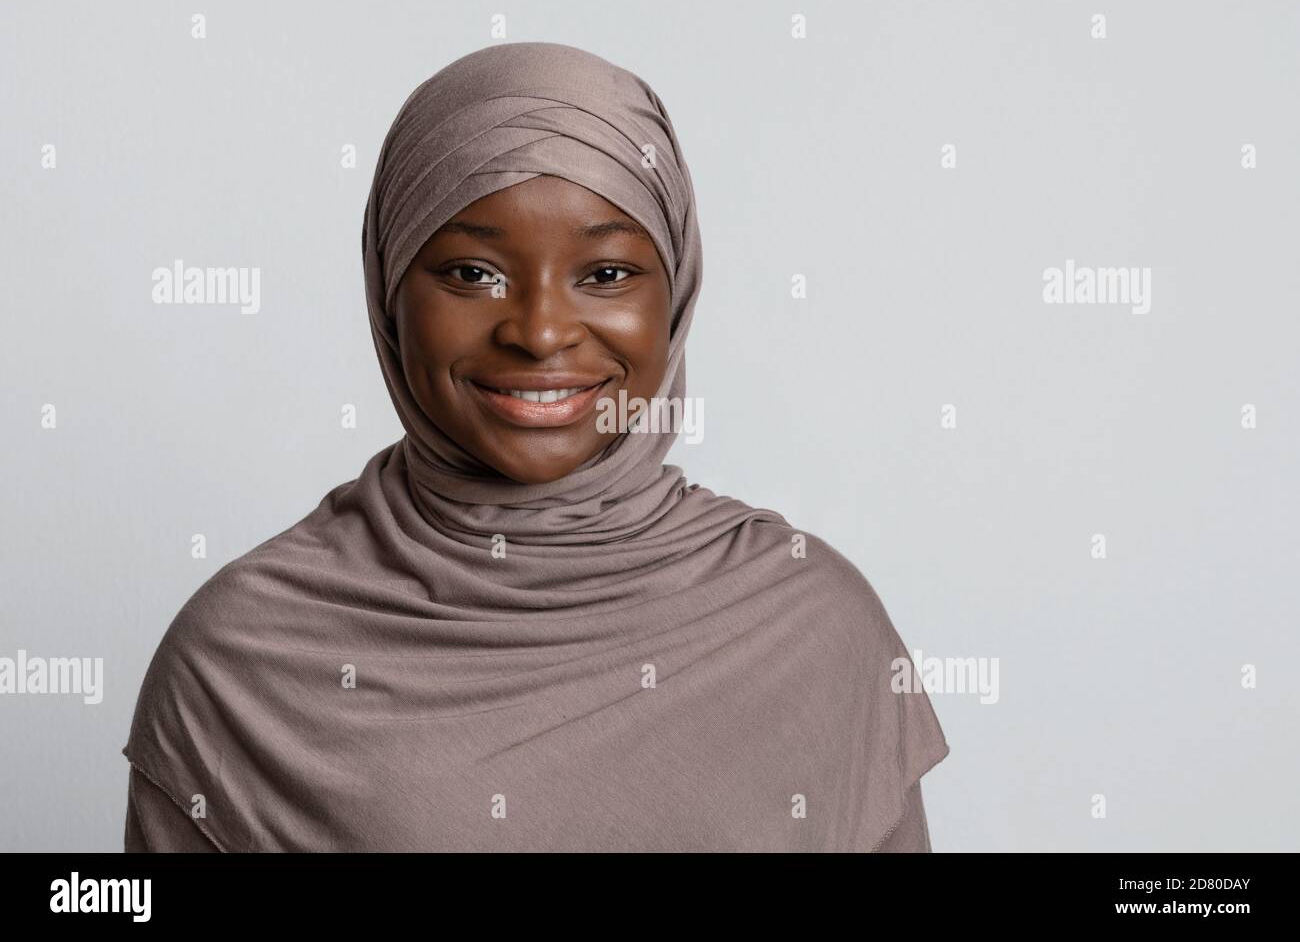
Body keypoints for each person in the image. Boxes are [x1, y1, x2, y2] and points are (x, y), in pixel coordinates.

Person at [122, 41, 948, 852]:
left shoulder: (813, 629)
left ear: (678, 291)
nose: (541, 332)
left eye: (607, 274)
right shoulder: (241, 661)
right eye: (473, 273)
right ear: (389, 292)